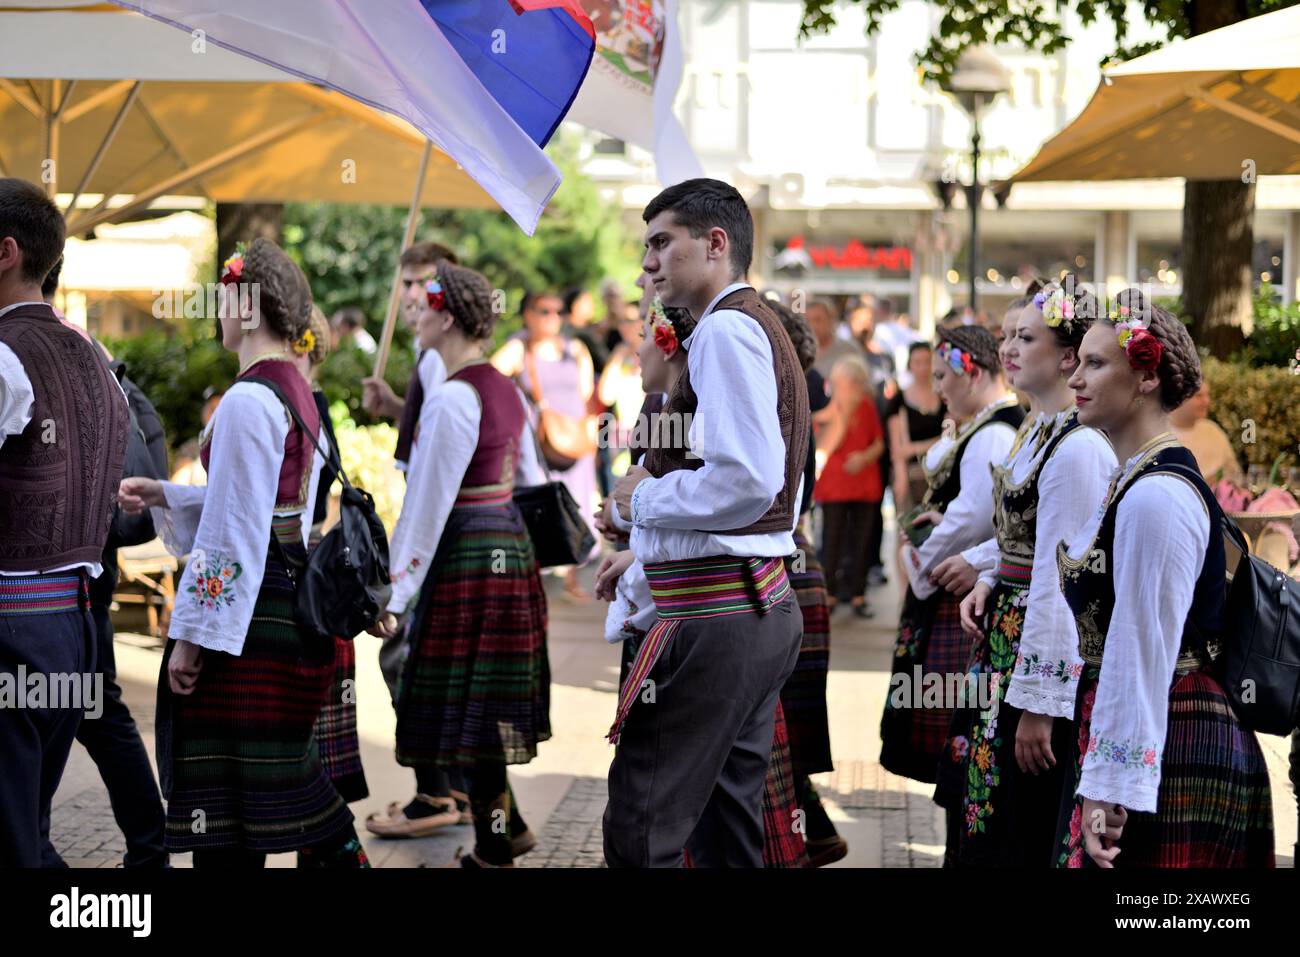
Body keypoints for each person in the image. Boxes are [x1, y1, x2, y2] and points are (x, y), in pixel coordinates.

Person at [118, 238, 368, 867]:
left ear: (248, 305)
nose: (216, 311)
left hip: (251, 623)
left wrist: (191, 638)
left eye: (223, 296)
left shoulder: (248, 400)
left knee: (227, 819)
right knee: (268, 798)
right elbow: (275, 511)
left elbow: (235, 534)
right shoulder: (295, 390)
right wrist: (168, 493)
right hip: (287, 610)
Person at [602, 178, 808, 868]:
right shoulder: (750, 322)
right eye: (647, 245)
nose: (648, 263)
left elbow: (748, 479)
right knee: (723, 828)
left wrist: (641, 499)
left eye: (663, 242)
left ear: (715, 244)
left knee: (643, 821)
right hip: (750, 605)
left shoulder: (724, 327)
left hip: (718, 615)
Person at [1053, 292, 1274, 868]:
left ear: (1146, 376)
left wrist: (1112, 786)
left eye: (1096, 363)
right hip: (1152, 732)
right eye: (1077, 360)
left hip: (1173, 739)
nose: (1075, 376)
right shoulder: (1137, 477)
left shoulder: (1157, 494)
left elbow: (1140, 648)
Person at [369, 260, 549, 868]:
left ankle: (498, 845)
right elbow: (529, 480)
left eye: (423, 305)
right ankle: (507, 829)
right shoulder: (506, 387)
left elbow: (426, 503)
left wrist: (391, 595)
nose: (414, 312)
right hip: (508, 545)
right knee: (482, 700)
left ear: (445, 317)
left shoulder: (451, 397)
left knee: (466, 701)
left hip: (467, 552)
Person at [938, 279, 1116, 867]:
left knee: (1019, 811)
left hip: (1035, 654)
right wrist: (988, 575)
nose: (1008, 348)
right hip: (1005, 639)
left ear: (1068, 357)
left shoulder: (1078, 446)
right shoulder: (1035, 430)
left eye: (1026, 337)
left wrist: (1041, 702)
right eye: (1007, 335)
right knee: (985, 800)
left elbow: (1059, 581)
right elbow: (1025, 539)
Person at [0, 178, 130, 867]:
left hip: (13, 626)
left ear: (5, 252)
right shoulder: (98, 361)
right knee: (29, 831)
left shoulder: (3, 354)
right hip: (73, 633)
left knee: (16, 844)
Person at [878, 326, 1022, 801]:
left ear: (972, 373)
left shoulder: (995, 432)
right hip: (958, 586)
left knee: (960, 746)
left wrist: (916, 557)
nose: (936, 387)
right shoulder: (986, 427)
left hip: (961, 591)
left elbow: (973, 519)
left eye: (942, 375)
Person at [293, 306, 369, 806]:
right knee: (315, 746)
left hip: (303, 573)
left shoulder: (296, 403)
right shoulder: (309, 399)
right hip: (316, 566)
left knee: (305, 747)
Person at [492, 290, 598, 602]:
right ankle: (531, 578)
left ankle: (571, 578)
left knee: (576, 505)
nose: (552, 318)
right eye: (544, 311)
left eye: (558, 311)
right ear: (527, 314)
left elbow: (587, 392)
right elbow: (489, 382)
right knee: (536, 506)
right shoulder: (518, 348)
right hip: (536, 446)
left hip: (573, 440)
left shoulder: (574, 348)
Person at [814, 355, 885, 618]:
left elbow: (879, 443)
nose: (841, 389)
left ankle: (858, 594)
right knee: (831, 540)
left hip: (864, 484)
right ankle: (829, 594)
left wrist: (864, 457)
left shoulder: (867, 406)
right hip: (835, 485)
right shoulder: (832, 408)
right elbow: (824, 440)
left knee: (862, 541)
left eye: (846, 384)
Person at [886, 342, 945, 511]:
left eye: (927, 361)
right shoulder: (899, 401)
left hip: (938, 474)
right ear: (909, 365)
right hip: (910, 473)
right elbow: (898, 449)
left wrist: (913, 448)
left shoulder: (944, 397)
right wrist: (901, 476)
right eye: (917, 362)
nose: (923, 368)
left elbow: (949, 438)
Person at [1169, 380, 1244, 486]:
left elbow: (1236, 475)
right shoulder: (1159, 436)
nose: (1207, 401)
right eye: (1198, 396)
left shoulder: (1213, 430)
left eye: (1207, 395)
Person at [807, 298, 861, 380]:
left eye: (817, 320)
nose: (813, 326)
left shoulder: (848, 350)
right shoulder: (799, 351)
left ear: (830, 319)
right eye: (808, 321)